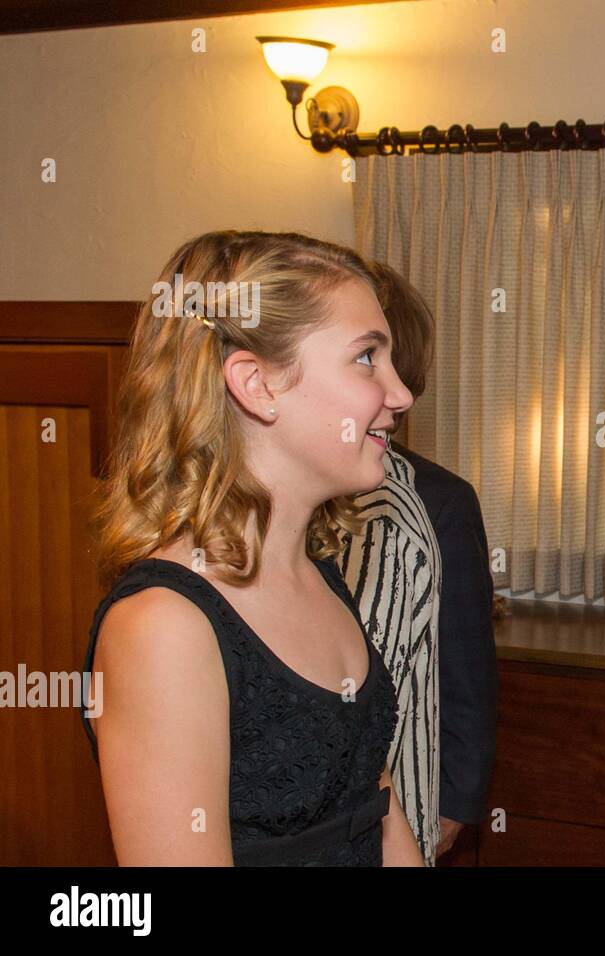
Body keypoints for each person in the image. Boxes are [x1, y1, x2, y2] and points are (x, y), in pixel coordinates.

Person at [82, 230, 425, 865]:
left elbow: (376, 805)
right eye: (366, 358)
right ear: (257, 384)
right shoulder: (163, 626)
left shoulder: (321, 573)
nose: (400, 393)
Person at [338, 260, 497, 865]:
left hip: (407, 789)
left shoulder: (440, 503)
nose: (396, 399)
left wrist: (456, 800)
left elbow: (466, 669)